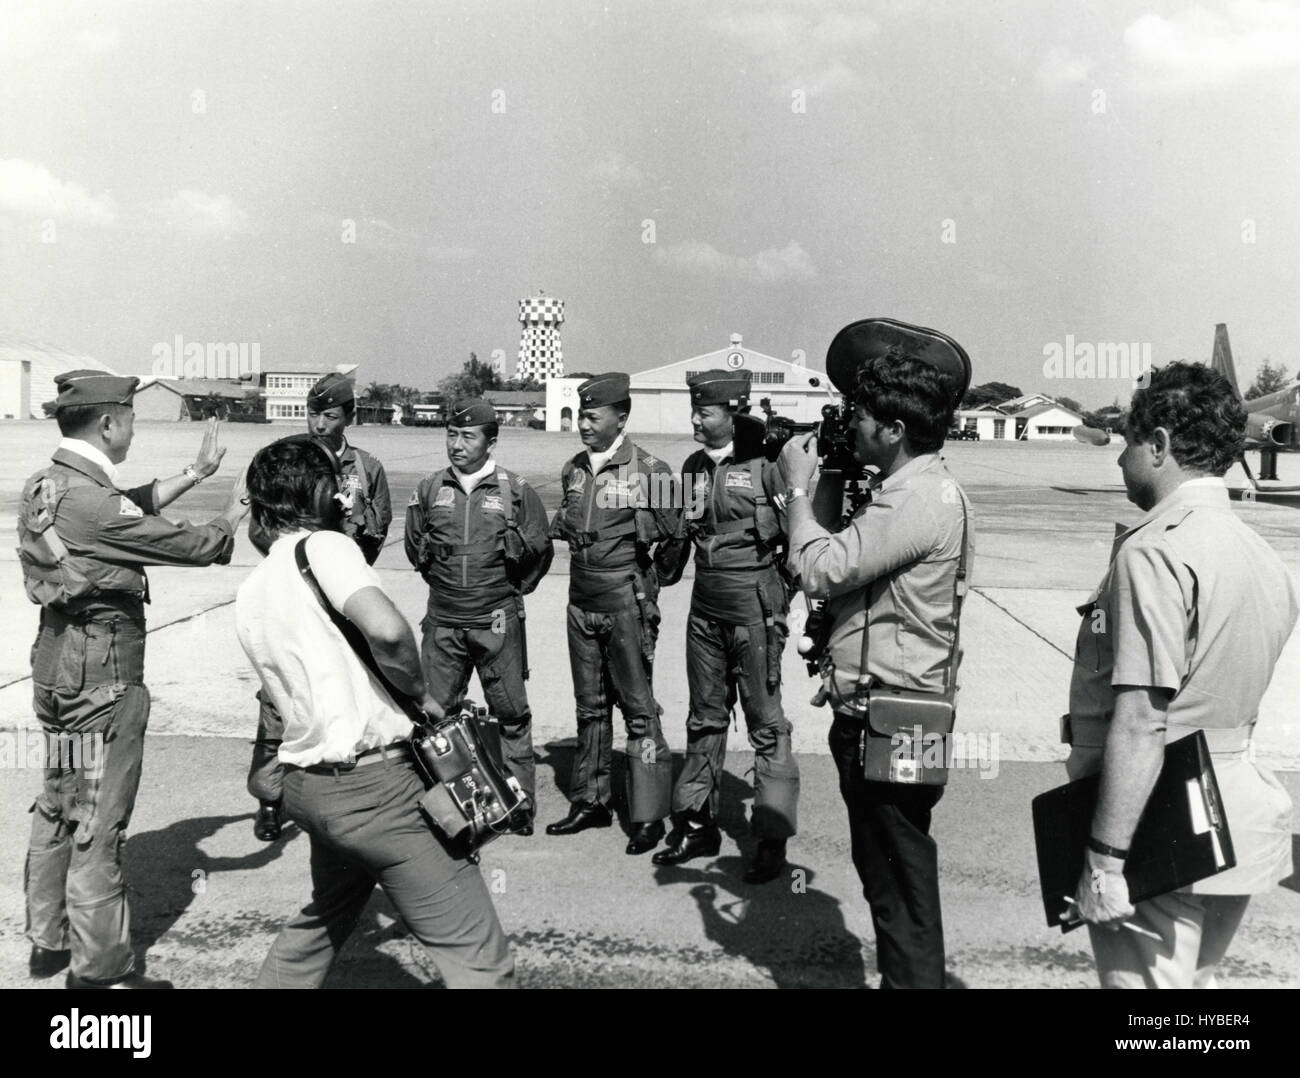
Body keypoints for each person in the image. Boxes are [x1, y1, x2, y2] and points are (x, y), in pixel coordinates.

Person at [236, 437, 513, 988]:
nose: (341, 495)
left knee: (321, 923)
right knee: (480, 959)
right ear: (315, 491)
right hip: (379, 791)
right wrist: (422, 694)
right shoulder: (325, 548)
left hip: (312, 790)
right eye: (332, 485)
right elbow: (387, 631)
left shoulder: (254, 586)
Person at [1064, 361, 1297, 988]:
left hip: (1159, 816)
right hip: (1236, 810)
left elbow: (1142, 720)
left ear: (1160, 445)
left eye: (1128, 443)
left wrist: (1104, 861)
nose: (1120, 462)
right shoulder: (1260, 554)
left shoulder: (1156, 549)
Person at [19, 372, 246, 989]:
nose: (134, 428)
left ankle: (48, 937)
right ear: (109, 423)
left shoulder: (49, 483)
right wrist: (229, 519)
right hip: (105, 683)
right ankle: (100, 977)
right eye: (130, 417)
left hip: (57, 674)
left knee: (60, 802)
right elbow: (189, 546)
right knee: (99, 822)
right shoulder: (93, 501)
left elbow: (127, 508)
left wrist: (193, 475)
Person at [782, 348, 973, 989]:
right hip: (892, 708)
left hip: (890, 718)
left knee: (900, 876)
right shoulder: (918, 487)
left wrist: (794, 490)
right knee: (892, 868)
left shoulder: (917, 499)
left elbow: (818, 566)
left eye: (860, 416)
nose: (852, 424)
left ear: (894, 429)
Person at [652, 370, 799, 884]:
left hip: (755, 610)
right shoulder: (692, 467)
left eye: (705, 411)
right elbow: (677, 539)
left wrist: (779, 601)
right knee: (704, 718)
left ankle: (772, 837)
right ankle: (696, 823)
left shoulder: (768, 467)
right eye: (694, 409)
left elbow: (799, 539)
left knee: (765, 723)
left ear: (731, 414)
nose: (695, 418)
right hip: (704, 611)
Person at [246, 372, 393, 841]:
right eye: (313, 414)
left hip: (344, 595)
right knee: (278, 696)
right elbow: (257, 526)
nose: (318, 424)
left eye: (329, 415)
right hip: (295, 592)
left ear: (348, 416)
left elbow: (379, 530)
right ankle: (269, 798)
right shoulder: (285, 461)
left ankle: (345, 789)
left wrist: (352, 526)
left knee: (346, 687)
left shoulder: (367, 469)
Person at [544, 373, 680, 854]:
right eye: (581, 414)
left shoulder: (651, 469)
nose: (583, 423)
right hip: (581, 601)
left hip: (624, 601)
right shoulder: (574, 469)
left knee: (639, 711)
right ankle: (591, 800)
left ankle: (647, 814)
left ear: (620, 417)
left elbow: (676, 533)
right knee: (590, 708)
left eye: (592, 415)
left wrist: (648, 584)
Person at [404, 398, 553, 833]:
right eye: (451, 434)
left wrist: (506, 592)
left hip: (496, 621)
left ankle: (520, 804)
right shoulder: (430, 489)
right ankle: (447, 805)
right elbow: (417, 548)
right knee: (435, 716)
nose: (457, 444)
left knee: (510, 713)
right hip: (445, 620)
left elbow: (539, 550)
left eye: (468, 436)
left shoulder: (515, 491)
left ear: (491, 441)